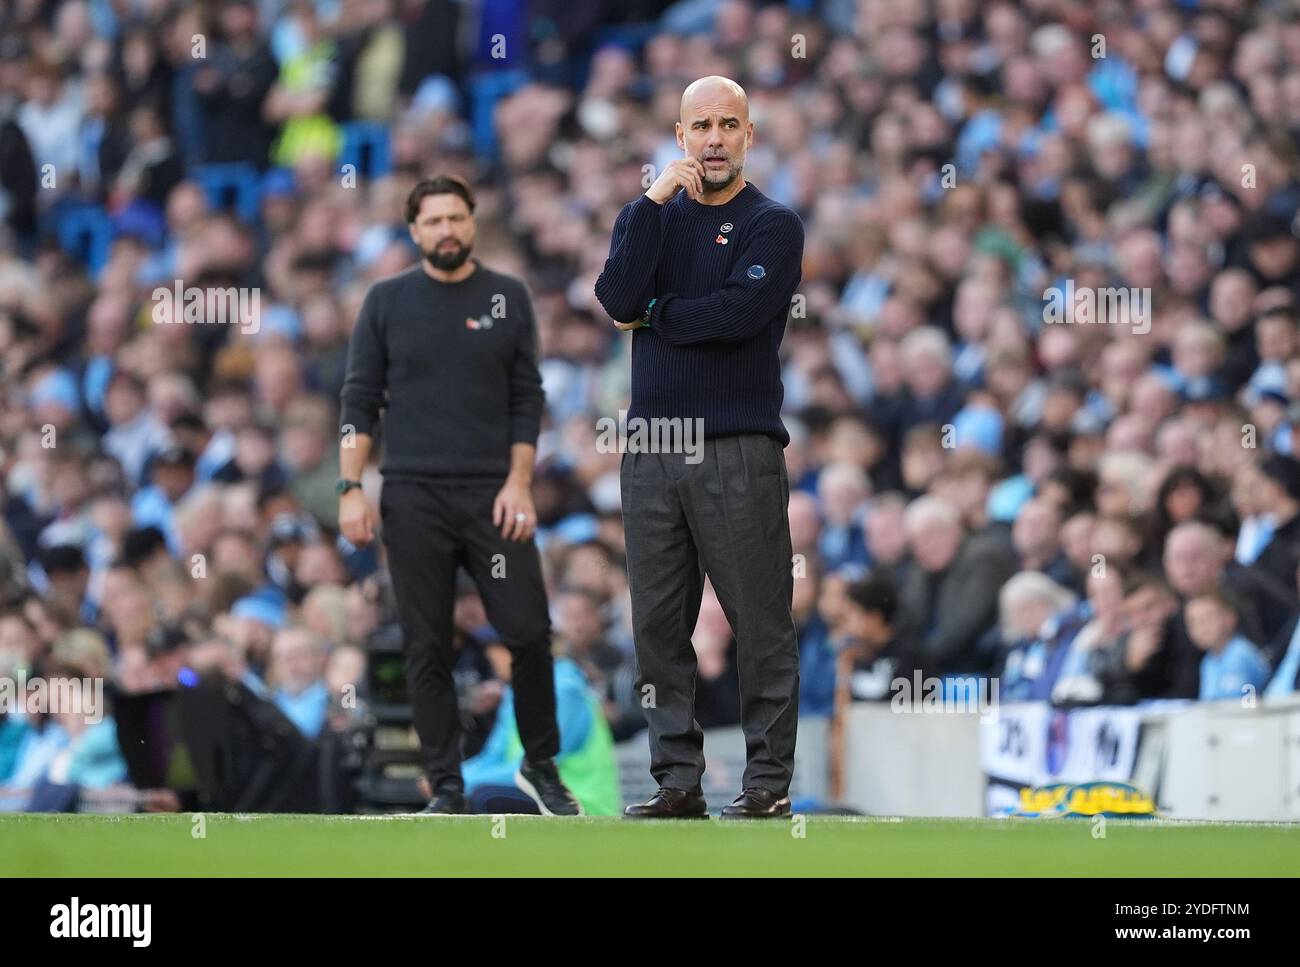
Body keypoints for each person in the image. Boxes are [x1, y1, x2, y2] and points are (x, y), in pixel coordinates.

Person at [594, 75, 805, 819]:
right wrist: (650, 203)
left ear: (750, 135)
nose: (713, 138)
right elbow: (614, 298)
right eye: (700, 126)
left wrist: (657, 313)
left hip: (736, 442)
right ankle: (676, 779)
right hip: (651, 442)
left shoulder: (772, 224)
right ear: (679, 137)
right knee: (656, 622)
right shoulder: (649, 218)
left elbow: (737, 314)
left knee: (759, 619)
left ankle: (766, 782)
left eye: (728, 124)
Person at [338, 174, 580, 816]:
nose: (446, 229)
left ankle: (541, 763)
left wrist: (520, 479)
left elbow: (528, 396)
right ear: (414, 231)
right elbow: (359, 400)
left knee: (528, 631)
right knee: (425, 642)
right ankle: (444, 785)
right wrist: (350, 488)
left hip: (493, 492)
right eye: (432, 220)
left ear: (472, 222)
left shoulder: (506, 297)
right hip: (413, 494)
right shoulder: (386, 301)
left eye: (456, 217)